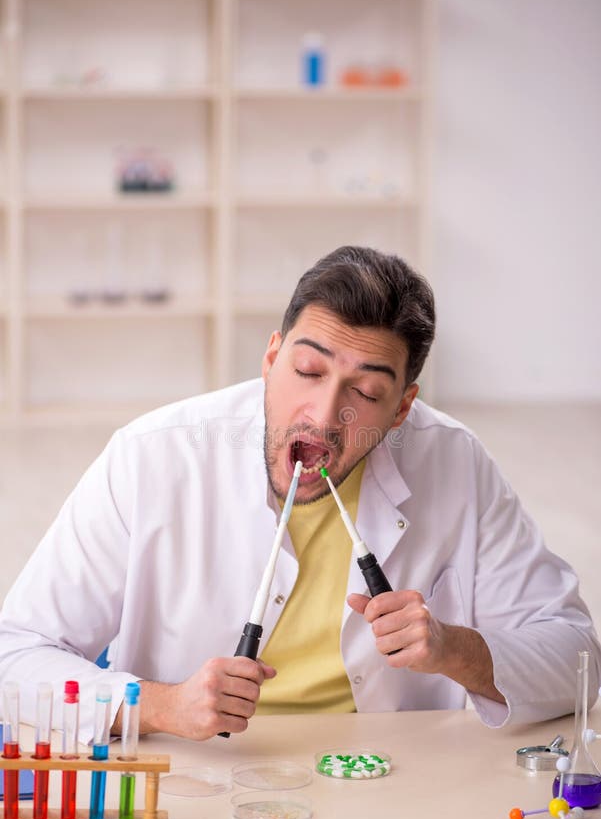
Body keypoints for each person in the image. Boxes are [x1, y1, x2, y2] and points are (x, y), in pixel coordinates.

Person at [0, 245, 599, 743]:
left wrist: (454, 650)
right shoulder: (152, 456)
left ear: (401, 410)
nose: (324, 414)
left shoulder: (455, 460)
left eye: (365, 391)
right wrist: (160, 706)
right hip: (202, 780)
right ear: (270, 356)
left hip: (388, 782)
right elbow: (14, 657)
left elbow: (580, 659)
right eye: (308, 372)